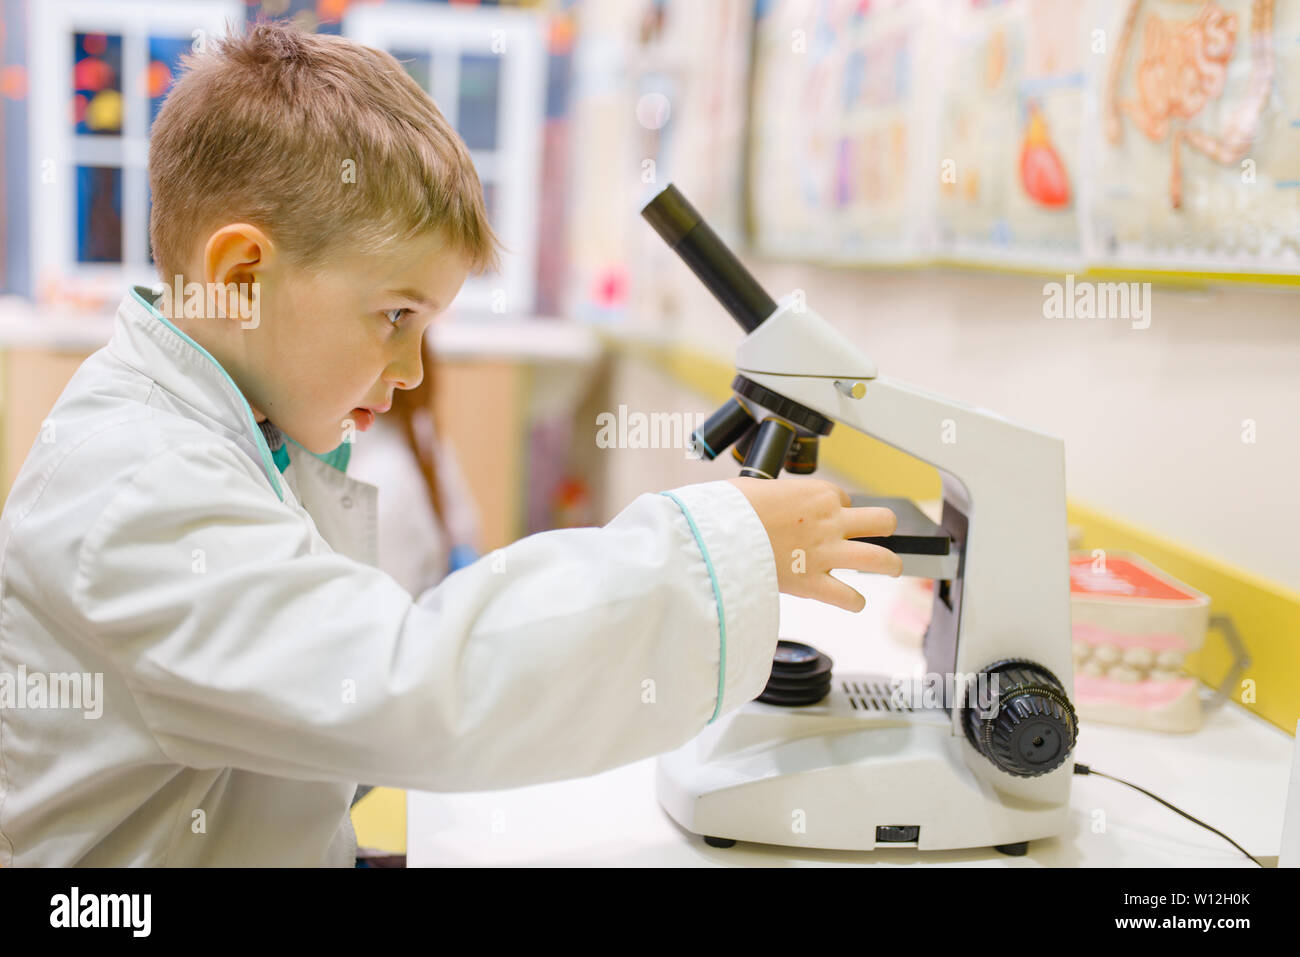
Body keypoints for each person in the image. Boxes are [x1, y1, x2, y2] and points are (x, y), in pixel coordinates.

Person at [0, 21, 900, 867]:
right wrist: (720, 553)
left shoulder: (227, 429)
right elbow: (406, 681)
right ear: (242, 278)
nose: (409, 370)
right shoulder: (136, 489)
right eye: (396, 315)